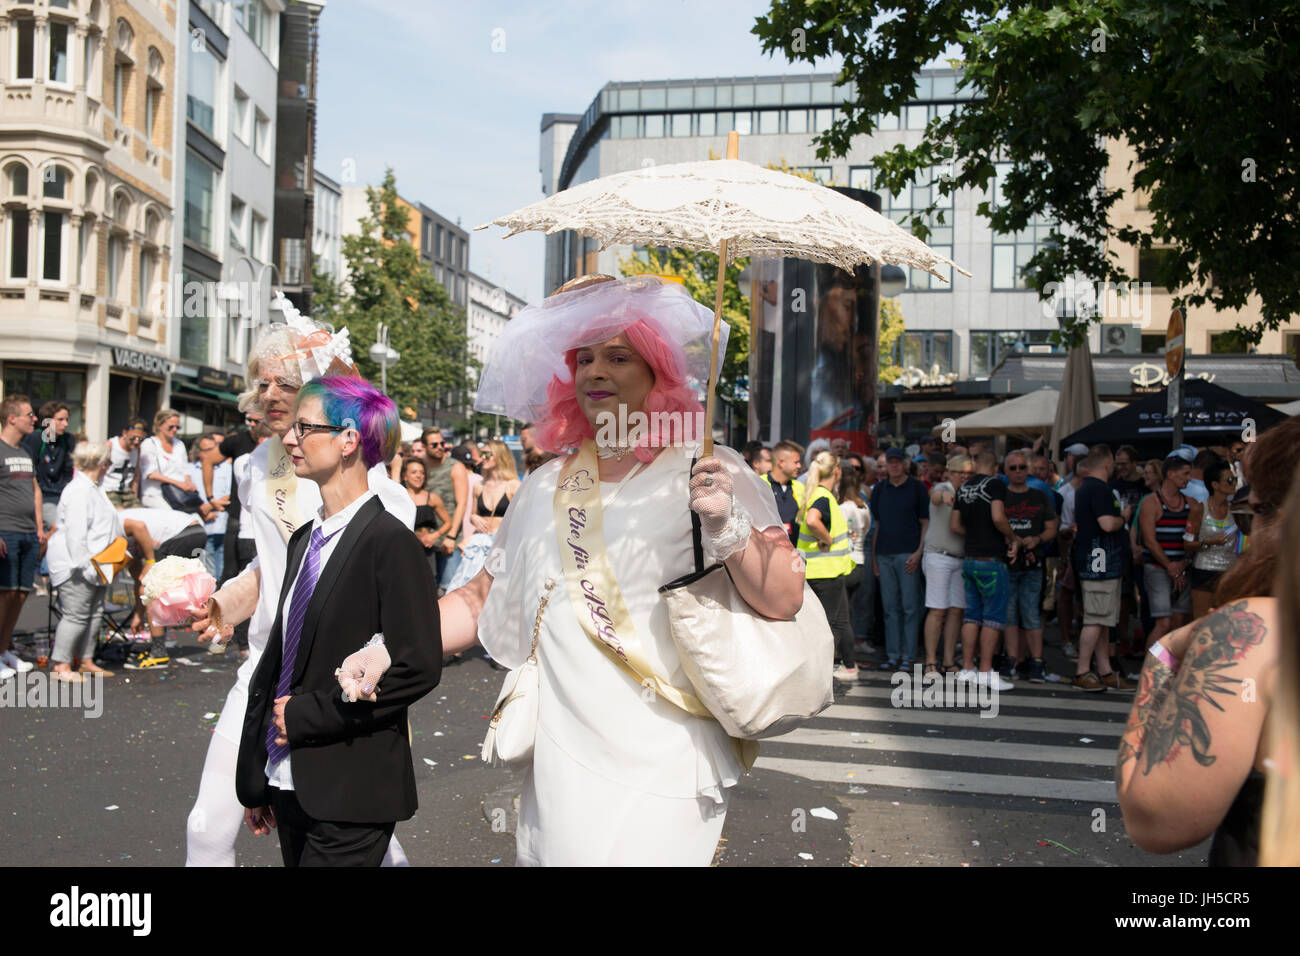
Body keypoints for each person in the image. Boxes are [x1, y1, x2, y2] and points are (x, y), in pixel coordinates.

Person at [434, 274, 802, 865]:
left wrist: (727, 524)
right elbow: (480, 597)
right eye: (583, 359)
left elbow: (784, 597)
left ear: (659, 373)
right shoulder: (546, 484)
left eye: (618, 357)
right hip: (561, 753)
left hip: (667, 746)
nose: (594, 372)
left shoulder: (709, 470)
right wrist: (386, 645)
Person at [184, 307, 416, 868]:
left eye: (284, 381)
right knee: (209, 825)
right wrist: (223, 605)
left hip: (332, 687)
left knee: (346, 826)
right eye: (260, 381)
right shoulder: (252, 469)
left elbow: (391, 605)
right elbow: (272, 572)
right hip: (263, 670)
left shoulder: (367, 482)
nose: (267, 393)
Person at [235, 377, 441, 867]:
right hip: (290, 782)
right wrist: (259, 773)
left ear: (349, 440)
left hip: (351, 788)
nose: (289, 437)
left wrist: (310, 716)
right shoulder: (305, 539)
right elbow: (282, 660)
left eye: (305, 427)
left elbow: (418, 664)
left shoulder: (389, 542)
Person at [1116, 416, 1300, 864]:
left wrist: (1162, 657)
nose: (1251, 536)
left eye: (1254, 512)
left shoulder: (1256, 630)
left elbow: (1156, 817)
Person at [45, 441, 122, 682]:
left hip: (99, 562)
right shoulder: (80, 489)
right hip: (78, 564)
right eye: (108, 462)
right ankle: (62, 664)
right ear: (101, 464)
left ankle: (86, 660)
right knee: (76, 614)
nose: (109, 467)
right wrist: (84, 565)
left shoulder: (92, 487)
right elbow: (75, 534)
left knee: (94, 613)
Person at [950, 452, 1016, 690]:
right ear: (996, 466)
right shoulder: (996, 484)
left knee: (972, 615)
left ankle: (968, 668)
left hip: (969, 559)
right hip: (991, 560)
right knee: (993, 618)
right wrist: (1012, 537)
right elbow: (999, 517)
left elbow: (955, 525)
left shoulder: (964, 486)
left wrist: (977, 535)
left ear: (975, 464)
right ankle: (986, 671)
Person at [1071, 449, 1132, 692]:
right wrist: (1124, 517)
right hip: (1100, 563)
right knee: (1096, 618)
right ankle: (1082, 671)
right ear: (1107, 464)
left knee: (1103, 618)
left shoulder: (1085, 488)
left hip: (1097, 561)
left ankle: (1105, 669)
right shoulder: (1099, 489)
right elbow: (1107, 524)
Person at [870, 446, 929, 672]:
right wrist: (875, 558)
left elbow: (926, 522)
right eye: (890, 462)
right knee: (889, 608)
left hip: (908, 553)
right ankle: (894, 654)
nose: (893, 465)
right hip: (884, 554)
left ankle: (909, 655)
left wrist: (919, 552)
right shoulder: (879, 490)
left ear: (904, 463)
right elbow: (878, 526)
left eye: (897, 461)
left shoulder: (916, 488)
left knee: (910, 607)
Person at [1002, 450, 1058, 683]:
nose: (1018, 472)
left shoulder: (1039, 496)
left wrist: (1038, 539)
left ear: (1029, 470)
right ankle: (1012, 660)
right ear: (1006, 471)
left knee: (1031, 614)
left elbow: (1052, 526)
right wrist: (1010, 539)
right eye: (1013, 468)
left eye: (1022, 467)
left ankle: (1036, 662)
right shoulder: (1000, 496)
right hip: (1007, 564)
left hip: (1033, 563)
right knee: (1010, 615)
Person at [798, 452, 855, 681]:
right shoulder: (823, 496)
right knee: (827, 627)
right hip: (825, 573)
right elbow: (813, 520)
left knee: (839, 624)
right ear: (837, 471)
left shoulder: (816, 493)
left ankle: (820, 673)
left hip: (825, 571)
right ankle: (814, 676)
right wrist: (827, 538)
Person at [0, 395, 43, 681]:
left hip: (29, 531)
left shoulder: (25, 452)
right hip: (6, 529)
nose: (35, 419)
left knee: (20, 593)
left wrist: (40, 528)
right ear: (12, 418)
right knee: (4, 593)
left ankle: (4, 649)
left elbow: (36, 489)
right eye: (29, 414)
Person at [446, 439, 519, 593]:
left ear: (500, 456)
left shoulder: (513, 485)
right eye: (482, 453)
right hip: (479, 545)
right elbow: (473, 514)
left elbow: (521, 520)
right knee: (467, 590)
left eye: (488, 454)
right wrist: (474, 518)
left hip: (501, 546)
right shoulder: (479, 486)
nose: (483, 457)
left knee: (495, 592)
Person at [1139, 454, 1193, 652]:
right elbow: (1149, 541)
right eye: (1185, 474)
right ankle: (1148, 670)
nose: (1188, 478)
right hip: (1157, 567)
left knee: (1179, 623)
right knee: (1164, 623)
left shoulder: (1191, 503)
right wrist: (1171, 566)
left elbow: (1193, 540)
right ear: (1170, 474)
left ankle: (1171, 671)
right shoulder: (1151, 503)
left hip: (1181, 568)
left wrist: (1182, 564)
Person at [922, 455, 970, 676]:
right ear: (950, 472)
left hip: (960, 558)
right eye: (961, 472)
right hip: (938, 556)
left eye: (969, 473)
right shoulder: (943, 486)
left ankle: (949, 661)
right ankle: (931, 661)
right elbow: (935, 496)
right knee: (938, 610)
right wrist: (947, 497)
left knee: (956, 611)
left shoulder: (969, 492)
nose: (965, 476)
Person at [1185, 459, 1240, 620]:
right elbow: (1187, 544)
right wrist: (1209, 542)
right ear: (1215, 485)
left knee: (1228, 620)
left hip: (1229, 572)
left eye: (1235, 479)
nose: (1234, 483)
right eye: (1230, 480)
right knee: (1201, 620)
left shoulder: (1236, 510)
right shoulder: (1199, 509)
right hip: (1205, 570)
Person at [422, 427, 469, 590]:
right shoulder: (420, 467)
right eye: (434, 445)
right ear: (424, 447)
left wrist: (452, 536)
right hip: (425, 541)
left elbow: (461, 503)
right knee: (427, 590)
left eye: (442, 443)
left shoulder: (455, 467)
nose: (440, 447)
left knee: (450, 589)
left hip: (448, 541)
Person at [21, 400, 75, 531]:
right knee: (60, 527)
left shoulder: (67, 439)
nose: (65, 424)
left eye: (67, 420)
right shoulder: (36, 438)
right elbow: (30, 470)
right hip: (43, 497)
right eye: (60, 420)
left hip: (62, 496)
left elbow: (68, 471)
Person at [400, 458, 452, 574]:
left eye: (422, 472)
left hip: (426, 550)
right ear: (404, 476)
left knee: (429, 584)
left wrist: (434, 535)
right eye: (414, 472)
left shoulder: (432, 498)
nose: (419, 476)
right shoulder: (399, 497)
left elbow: (448, 523)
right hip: (405, 549)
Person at [193, 434, 231, 580]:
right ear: (199, 452)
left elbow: (231, 493)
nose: (211, 453)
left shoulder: (227, 468)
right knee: (205, 574)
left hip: (222, 525)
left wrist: (210, 507)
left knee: (221, 572)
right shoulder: (190, 469)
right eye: (207, 450)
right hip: (201, 527)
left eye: (213, 449)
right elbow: (188, 494)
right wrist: (201, 509)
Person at [139, 409, 194, 510]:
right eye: (171, 426)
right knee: (172, 519)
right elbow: (150, 473)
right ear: (159, 425)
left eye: (177, 427)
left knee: (195, 521)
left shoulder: (179, 444)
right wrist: (179, 484)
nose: (174, 430)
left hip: (179, 495)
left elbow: (185, 469)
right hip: (156, 494)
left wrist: (187, 483)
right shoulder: (149, 444)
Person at [763, 440, 805, 546]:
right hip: (768, 552)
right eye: (796, 462)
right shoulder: (760, 484)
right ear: (781, 462)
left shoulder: (800, 487)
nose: (799, 466)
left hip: (795, 554)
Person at [101, 418, 148, 508]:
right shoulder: (111, 445)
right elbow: (98, 471)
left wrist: (134, 497)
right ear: (124, 433)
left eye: (140, 439)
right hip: (108, 490)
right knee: (121, 515)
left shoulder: (137, 450)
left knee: (140, 514)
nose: (136, 442)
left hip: (127, 492)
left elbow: (136, 476)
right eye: (133, 438)